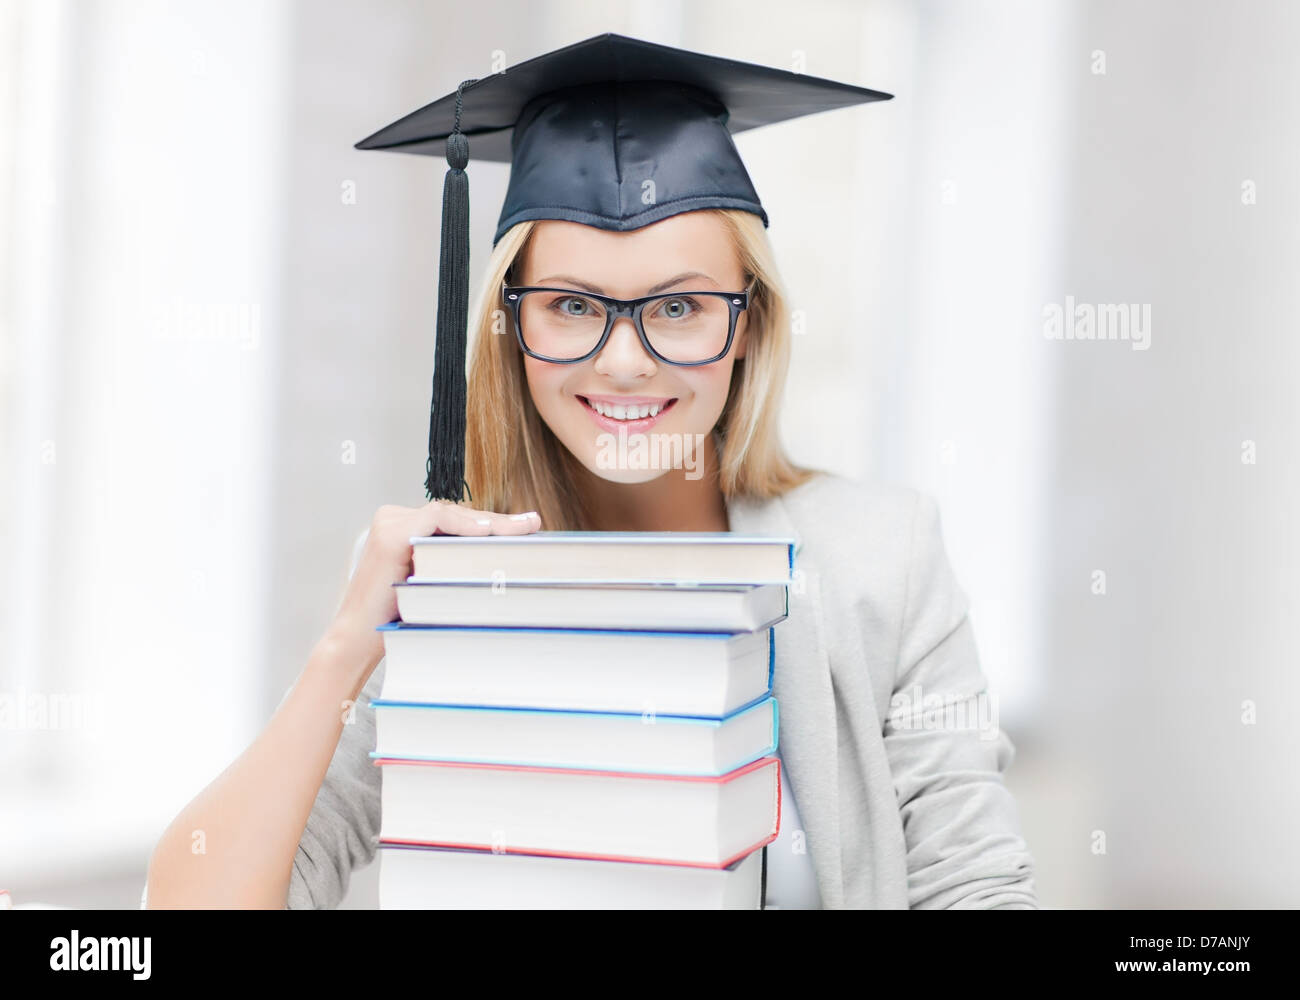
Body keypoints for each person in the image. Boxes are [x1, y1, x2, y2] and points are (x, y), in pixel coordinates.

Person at [145, 33, 1038, 909]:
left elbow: (976, 890)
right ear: (507, 327)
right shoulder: (448, 589)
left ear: (752, 329)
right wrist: (346, 648)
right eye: (572, 306)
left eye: (680, 307)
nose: (622, 362)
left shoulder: (885, 558)